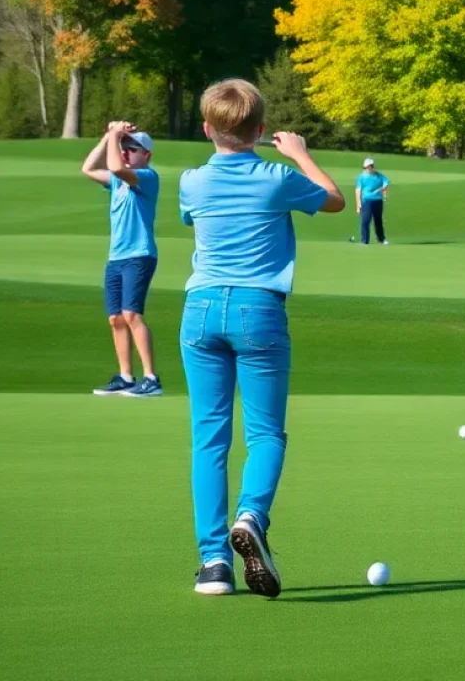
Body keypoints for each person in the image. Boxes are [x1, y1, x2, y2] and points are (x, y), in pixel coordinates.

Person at [179, 79, 345, 598]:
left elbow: (194, 214)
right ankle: (251, 516)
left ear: (208, 128)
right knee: (266, 433)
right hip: (258, 309)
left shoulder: (191, 181)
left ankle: (212, 565)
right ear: (260, 130)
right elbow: (336, 201)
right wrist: (301, 155)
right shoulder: (276, 176)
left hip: (200, 309)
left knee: (209, 438)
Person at [80, 121, 163, 397]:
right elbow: (88, 169)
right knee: (115, 318)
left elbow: (116, 167)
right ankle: (126, 376)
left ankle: (151, 378)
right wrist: (108, 137)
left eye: (132, 149)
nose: (125, 152)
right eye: (124, 148)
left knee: (131, 314)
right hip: (116, 257)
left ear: (146, 155)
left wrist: (116, 135)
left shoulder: (147, 177)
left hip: (139, 254)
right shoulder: (118, 181)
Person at [356, 157, 390, 245]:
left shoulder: (379, 176)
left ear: (372, 166)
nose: (367, 168)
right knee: (365, 221)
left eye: (369, 166)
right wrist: (358, 204)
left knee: (378, 220)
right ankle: (364, 241)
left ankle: (382, 239)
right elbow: (358, 190)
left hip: (378, 200)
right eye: (366, 167)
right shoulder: (361, 177)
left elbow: (386, 184)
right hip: (366, 200)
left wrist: (381, 190)